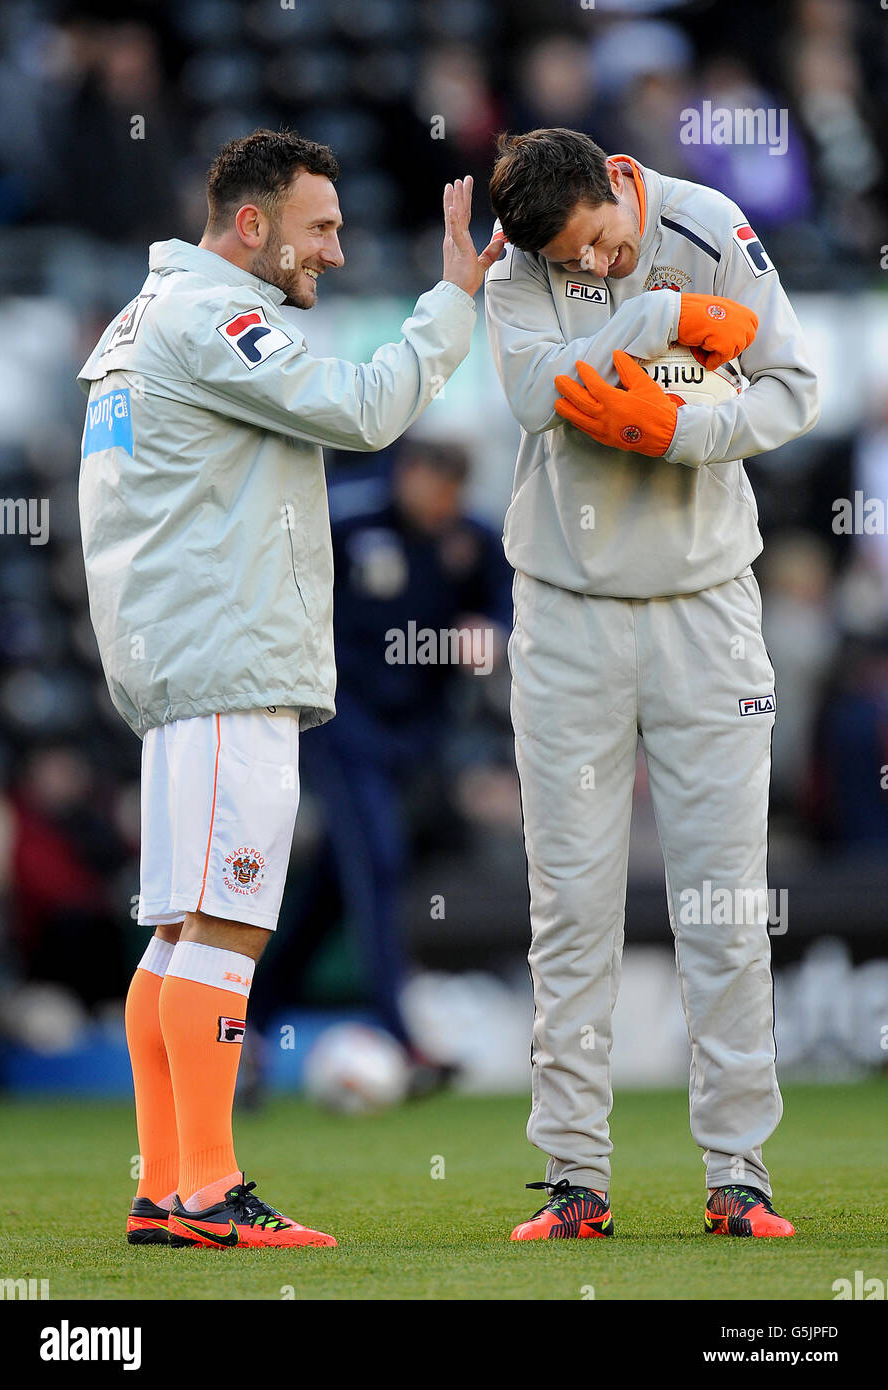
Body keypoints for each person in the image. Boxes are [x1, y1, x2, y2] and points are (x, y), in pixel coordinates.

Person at [77, 127, 502, 1250]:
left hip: (177, 659)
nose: (336, 250)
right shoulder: (216, 314)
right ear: (250, 224)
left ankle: (167, 1187)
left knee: (176, 934)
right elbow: (364, 410)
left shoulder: (136, 319)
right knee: (223, 931)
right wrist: (452, 300)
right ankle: (208, 1191)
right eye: (319, 228)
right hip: (228, 656)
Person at [484, 127, 819, 1240]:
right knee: (569, 911)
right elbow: (536, 398)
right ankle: (575, 1180)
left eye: (598, 245)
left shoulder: (706, 225)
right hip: (567, 610)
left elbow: (793, 390)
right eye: (567, 262)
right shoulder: (517, 261)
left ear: (615, 188)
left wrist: (685, 430)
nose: (588, 268)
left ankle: (740, 1174)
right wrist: (660, 322)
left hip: (705, 607)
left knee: (723, 902)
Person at [251, 440, 512, 1057]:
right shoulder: (343, 518)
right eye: (436, 489)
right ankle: (399, 1034)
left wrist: (491, 634)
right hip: (340, 722)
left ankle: (252, 1021)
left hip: (414, 733)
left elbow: (503, 606)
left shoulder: (469, 537)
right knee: (378, 858)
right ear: (408, 474)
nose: (443, 506)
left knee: (338, 885)